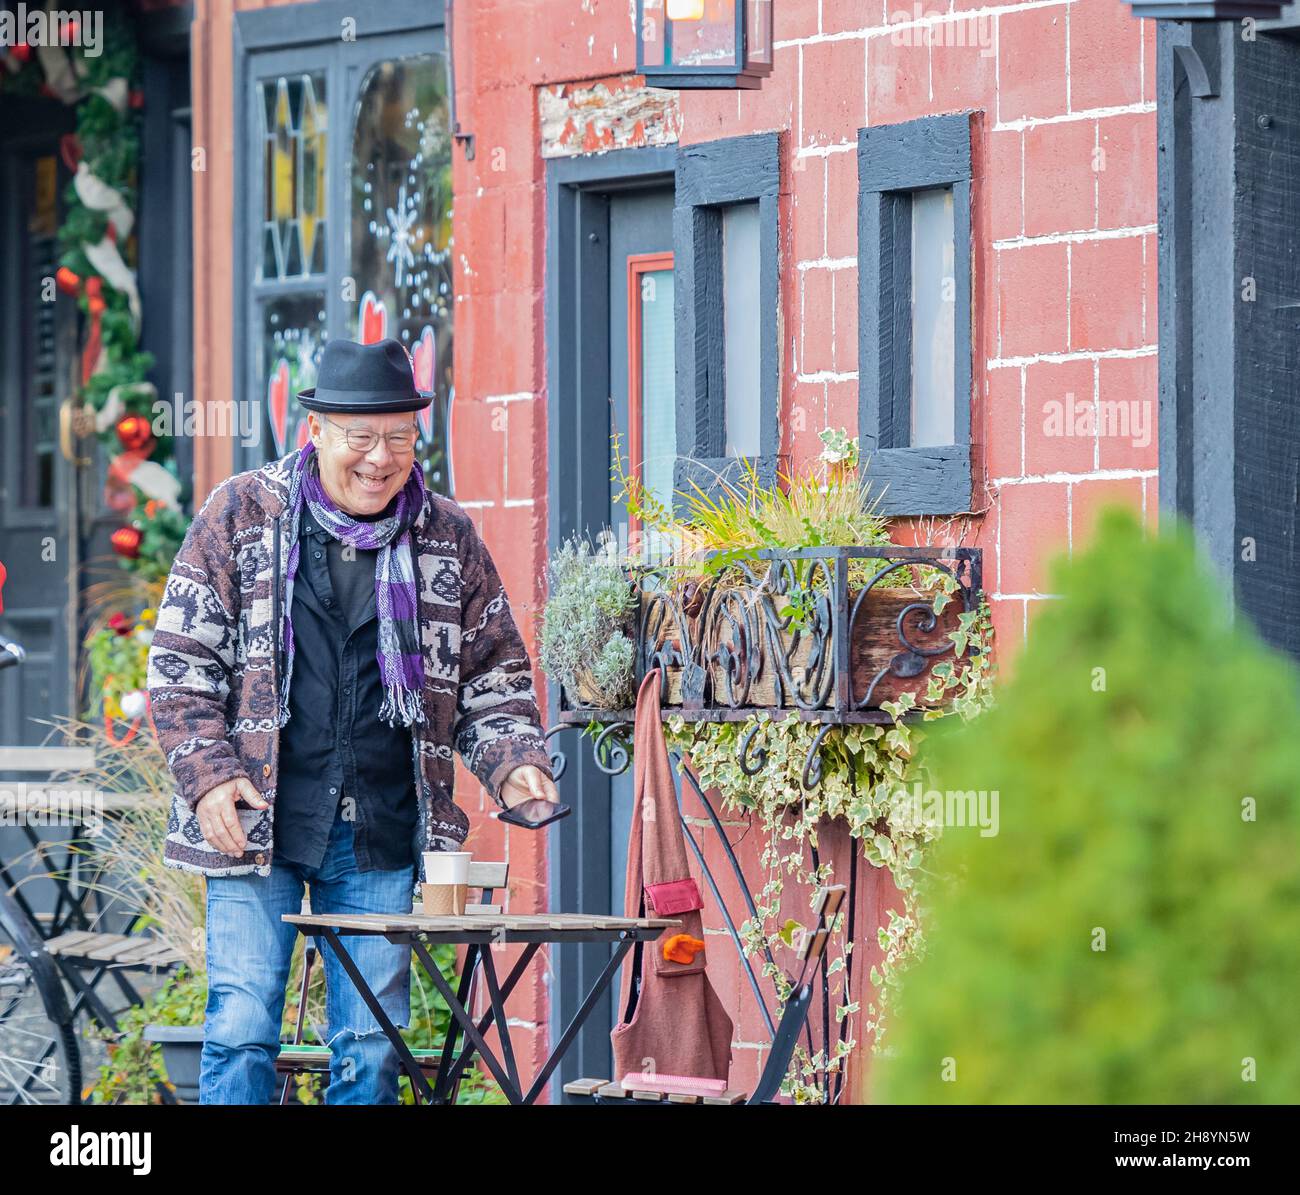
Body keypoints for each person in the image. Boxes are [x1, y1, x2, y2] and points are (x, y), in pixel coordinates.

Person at [146, 336, 559, 1104]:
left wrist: (514, 757)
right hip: (254, 819)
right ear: (318, 433)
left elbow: (492, 674)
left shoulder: (446, 535)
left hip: (378, 823)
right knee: (240, 1028)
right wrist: (209, 779)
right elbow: (179, 665)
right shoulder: (239, 513)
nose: (380, 457)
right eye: (361, 437)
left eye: (399, 437)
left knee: (370, 1049)